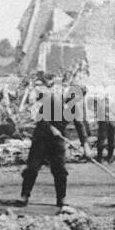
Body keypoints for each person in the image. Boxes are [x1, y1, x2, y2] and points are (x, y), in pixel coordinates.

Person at [19, 80, 89, 209]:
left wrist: (85, 145)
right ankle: (25, 195)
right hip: (41, 138)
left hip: (57, 140)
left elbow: (80, 125)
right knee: (32, 168)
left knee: (60, 170)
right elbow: (40, 118)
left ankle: (61, 198)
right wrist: (51, 127)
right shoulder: (53, 99)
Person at [94, 93, 115, 164]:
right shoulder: (114, 103)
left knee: (101, 139)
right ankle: (110, 158)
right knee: (111, 140)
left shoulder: (101, 103)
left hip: (104, 122)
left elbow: (97, 112)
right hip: (112, 122)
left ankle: (99, 158)